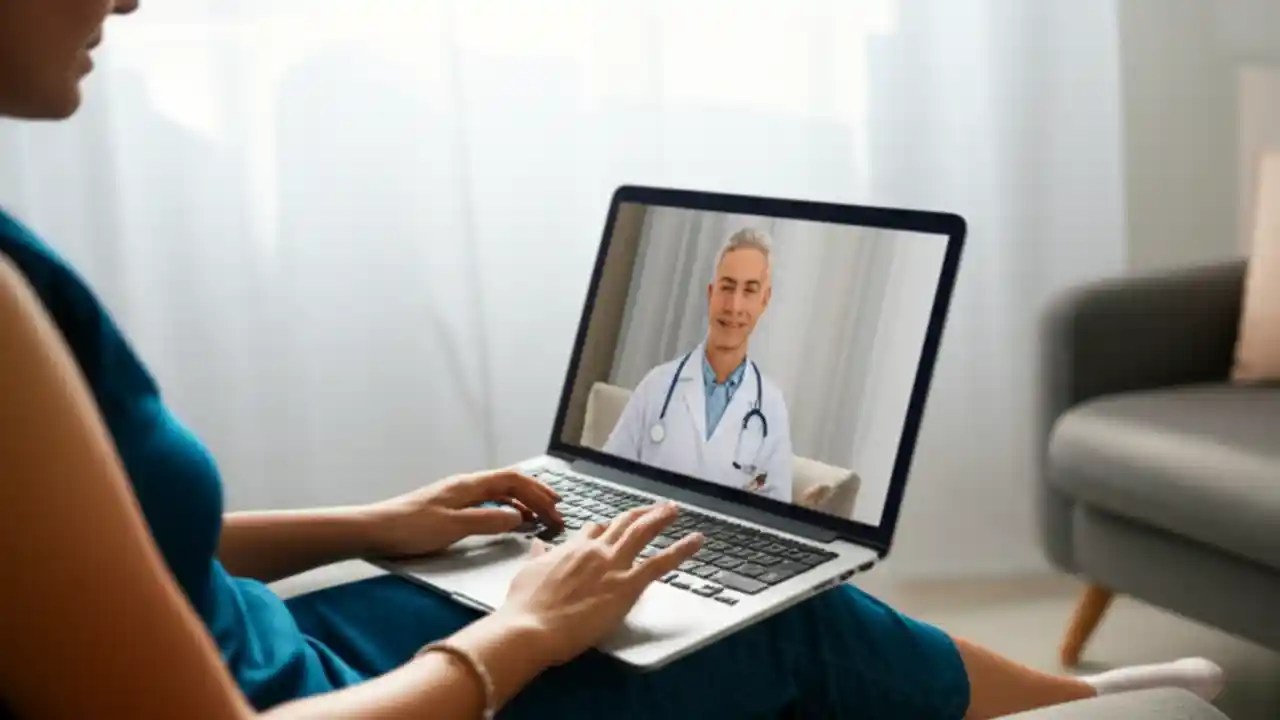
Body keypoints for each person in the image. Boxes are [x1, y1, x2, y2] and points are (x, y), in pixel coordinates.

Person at [0, 2, 1227, 718]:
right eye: (728, 288)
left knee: (714, 586)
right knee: (781, 626)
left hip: (282, 637)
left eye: (757, 292)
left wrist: (374, 520)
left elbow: (95, 554)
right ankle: (1093, 707)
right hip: (338, 692)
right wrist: (513, 640)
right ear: (706, 295)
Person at [605, 229, 794, 502]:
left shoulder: (772, 406)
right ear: (711, 293)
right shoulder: (656, 385)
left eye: (750, 291)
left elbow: (776, 512)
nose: (734, 305)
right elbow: (607, 479)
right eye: (727, 287)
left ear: (764, 301)